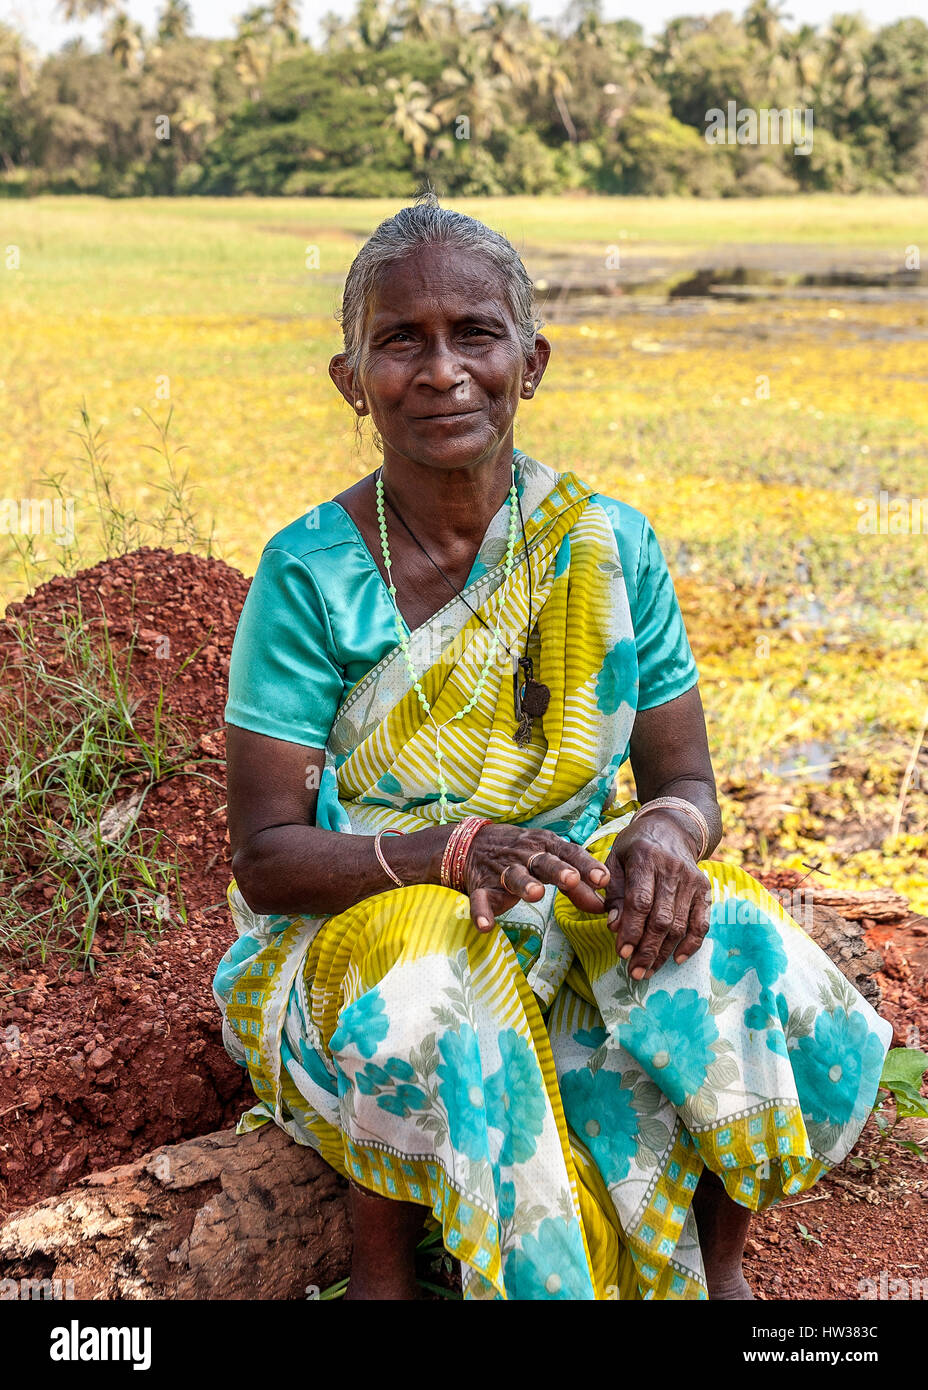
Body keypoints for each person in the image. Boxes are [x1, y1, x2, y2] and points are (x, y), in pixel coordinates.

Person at [212, 193, 891, 1302]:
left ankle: (717, 1276)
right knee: (440, 957)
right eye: (400, 340)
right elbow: (268, 858)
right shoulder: (309, 572)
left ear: (531, 361)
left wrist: (665, 838)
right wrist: (453, 851)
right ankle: (436, 1276)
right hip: (349, 943)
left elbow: (682, 784)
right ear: (351, 380)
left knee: (733, 939)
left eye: (474, 334)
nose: (441, 371)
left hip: (552, 904)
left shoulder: (610, 546)